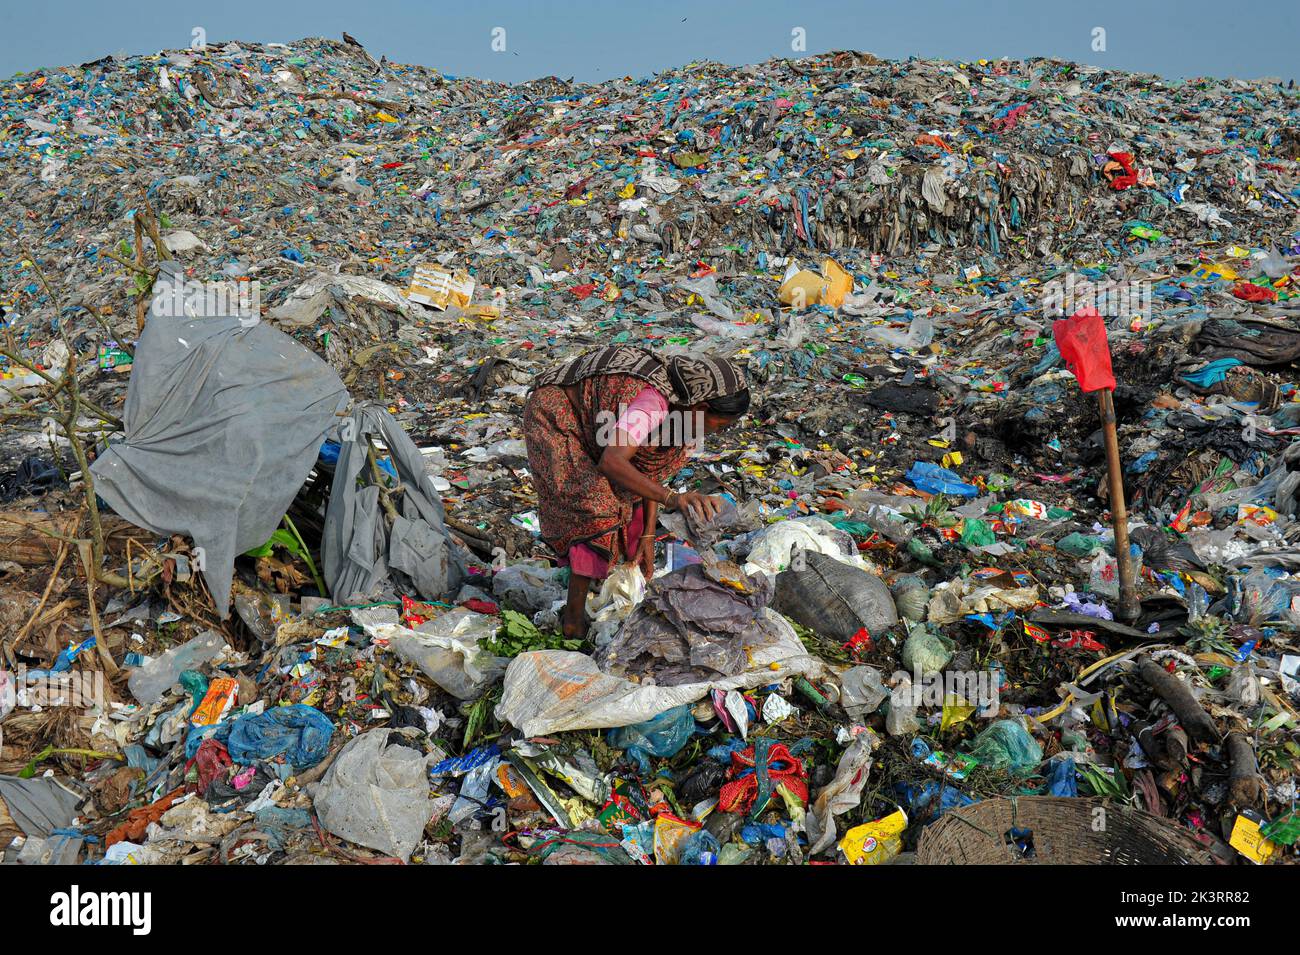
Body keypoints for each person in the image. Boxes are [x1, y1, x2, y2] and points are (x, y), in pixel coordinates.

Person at [523, 345, 750, 639]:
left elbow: (648, 471)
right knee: (593, 510)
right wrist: (674, 498)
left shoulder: (683, 413)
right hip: (558, 414)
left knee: (627, 506)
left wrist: (647, 533)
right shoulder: (652, 403)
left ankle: (601, 585)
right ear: (702, 408)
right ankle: (572, 620)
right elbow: (613, 461)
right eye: (720, 425)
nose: (717, 433)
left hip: (601, 426)